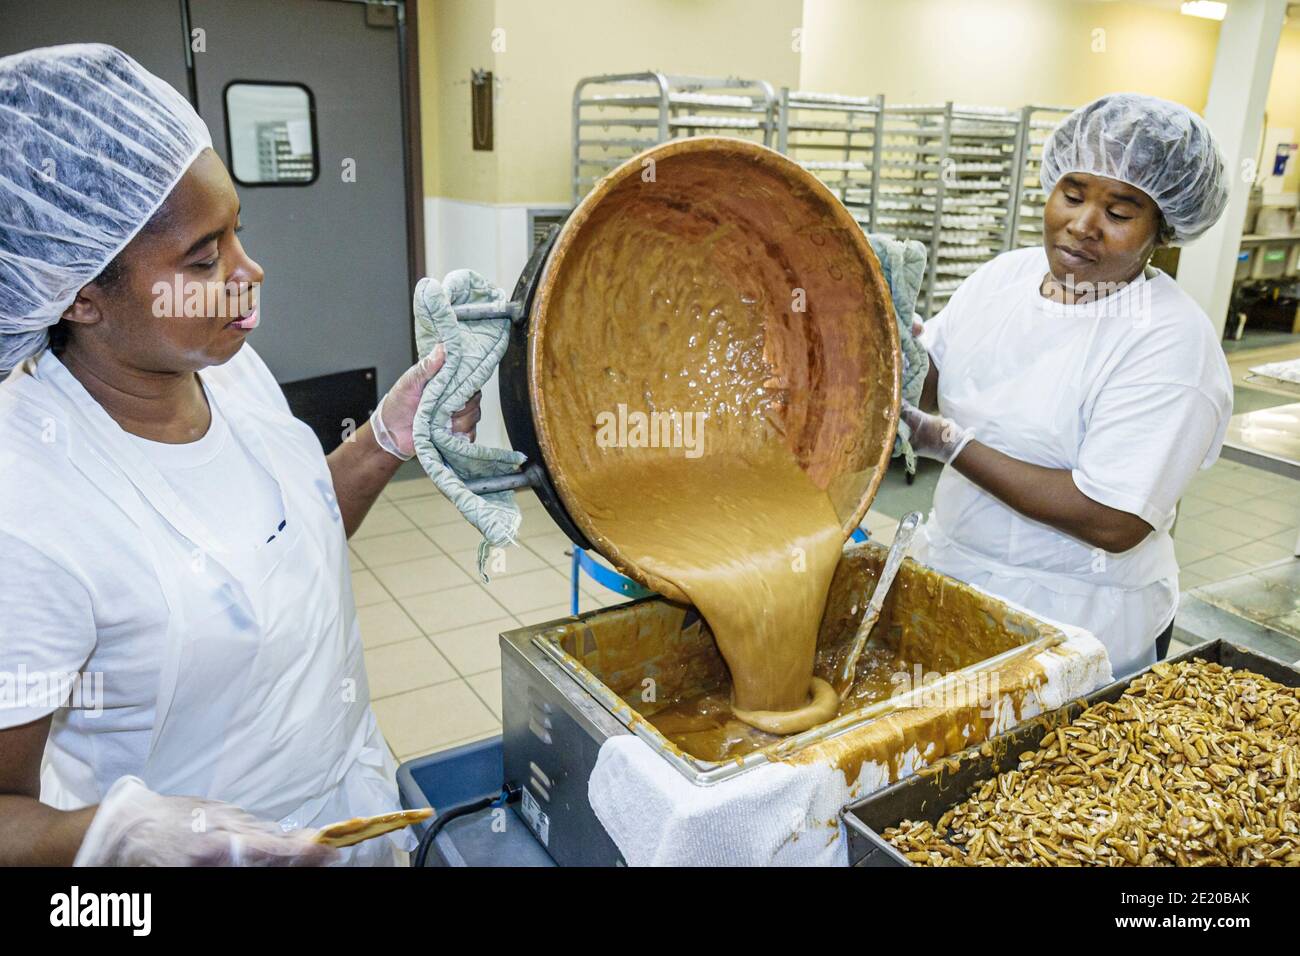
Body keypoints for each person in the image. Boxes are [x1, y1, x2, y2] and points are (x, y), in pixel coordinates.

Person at [0, 44, 488, 865]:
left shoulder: (223, 368)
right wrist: (112, 839)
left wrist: (385, 439)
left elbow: (287, 538)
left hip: (347, 807)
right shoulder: (29, 503)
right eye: (203, 259)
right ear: (79, 292)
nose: (248, 274)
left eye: (238, 233)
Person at [901, 93, 1233, 679]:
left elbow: (1112, 520)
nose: (1082, 225)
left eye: (1121, 212)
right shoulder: (1004, 278)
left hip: (1079, 620)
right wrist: (895, 342)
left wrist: (949, 444)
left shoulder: (1170, 341)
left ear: (1164, 227)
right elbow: (936, 383)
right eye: (1072, 195)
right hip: (951, 575)